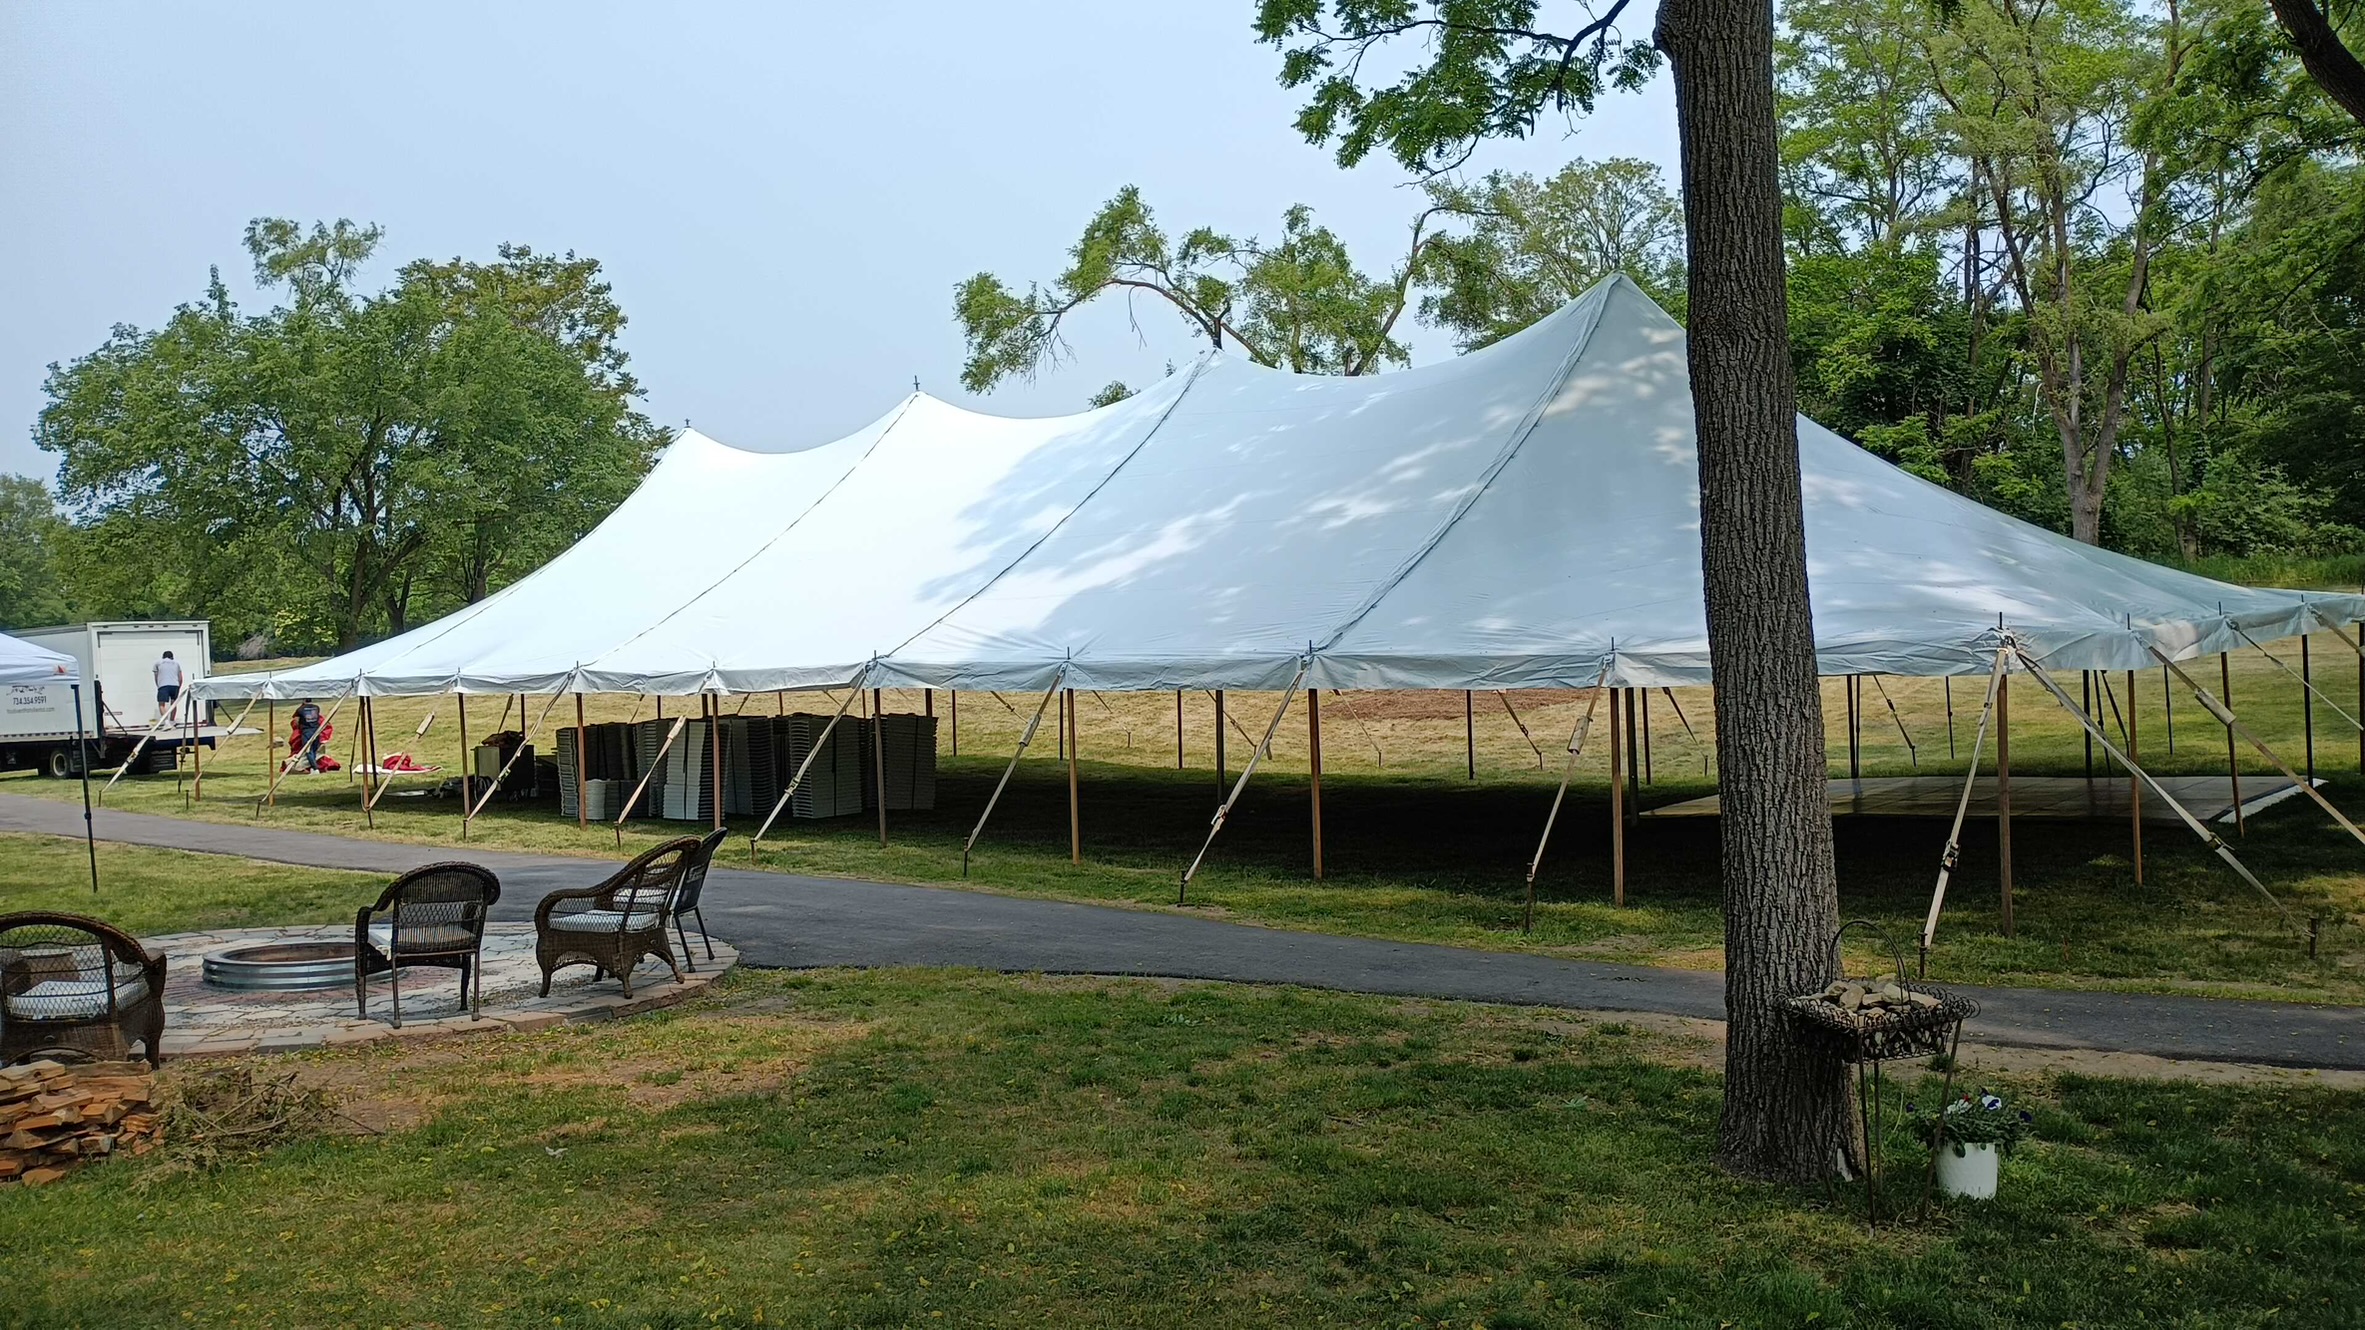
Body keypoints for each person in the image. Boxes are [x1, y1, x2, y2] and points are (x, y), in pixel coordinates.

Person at [291, 699, 325, 772]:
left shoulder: (300, 709)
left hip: (307, 731)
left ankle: (315, 768)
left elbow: (296, 721)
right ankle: (313, 767)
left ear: (303, 700)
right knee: (314, 749)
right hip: (316, 730)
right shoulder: (316, 707)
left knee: (308, 750)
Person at [153, 650, 184, 721]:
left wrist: (158, 686)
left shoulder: (158, 663)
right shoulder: (176, 663)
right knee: (173, 704)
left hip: (163, 685)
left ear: (163, 657)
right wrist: (179, 687)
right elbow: (180, 677)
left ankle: (166, 722)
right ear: (172, 657)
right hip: (175, 685)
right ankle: (172, 721)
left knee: (161, 704)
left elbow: (156, 676)